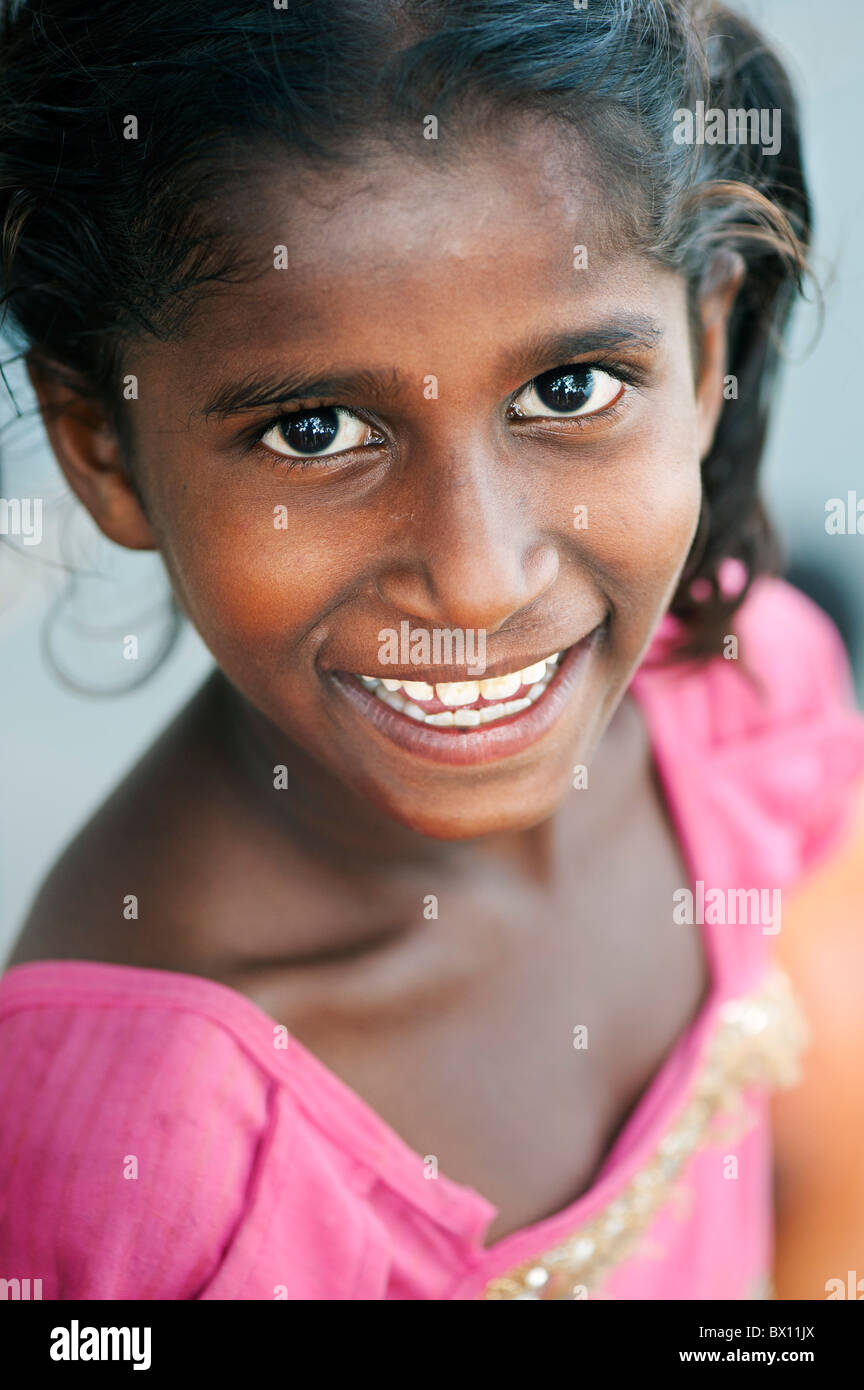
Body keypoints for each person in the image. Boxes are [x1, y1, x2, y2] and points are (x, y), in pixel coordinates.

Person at [1, 0, 863, 1301]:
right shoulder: (141, 1160)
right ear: (102, 444)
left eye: (567, 390)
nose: (476, 579)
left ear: (703, 351)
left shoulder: (744, 704)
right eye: (314, 431)